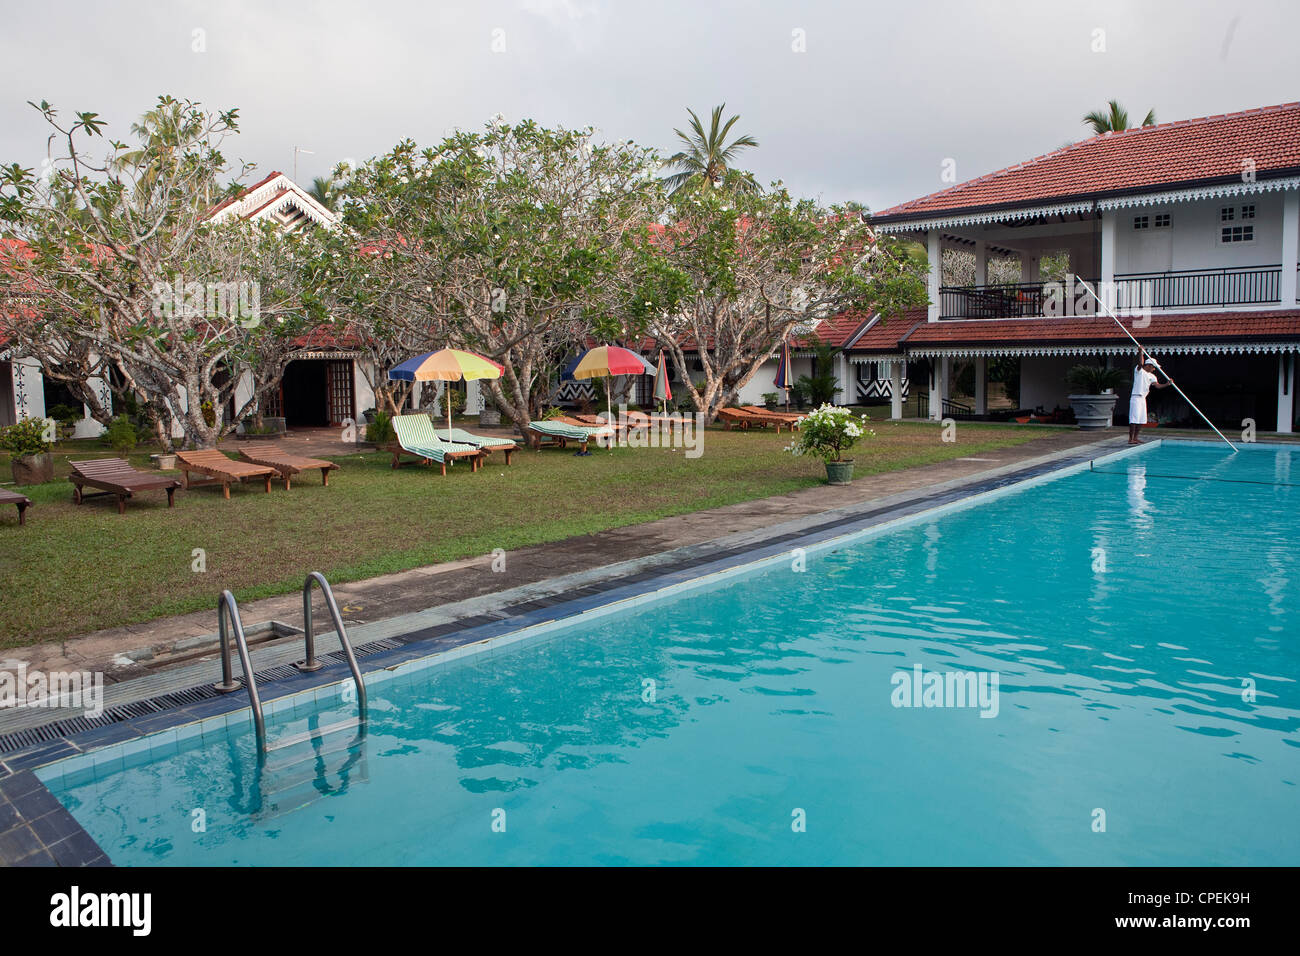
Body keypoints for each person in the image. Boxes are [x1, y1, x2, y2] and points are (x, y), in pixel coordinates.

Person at [1128, 352, 1171, 444]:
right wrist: (1141, 353)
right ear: (1148, 365)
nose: (1154, 369)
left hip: (1143, 399)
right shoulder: (1139, 371)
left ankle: (1135, 438)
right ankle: (1130, 439)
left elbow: (1157, 386)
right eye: (1153, 367)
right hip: (1136, 397)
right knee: (1134, 419)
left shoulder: (1152, 376)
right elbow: (1140, 363)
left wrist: (1167, 384)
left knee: (1141, 419)